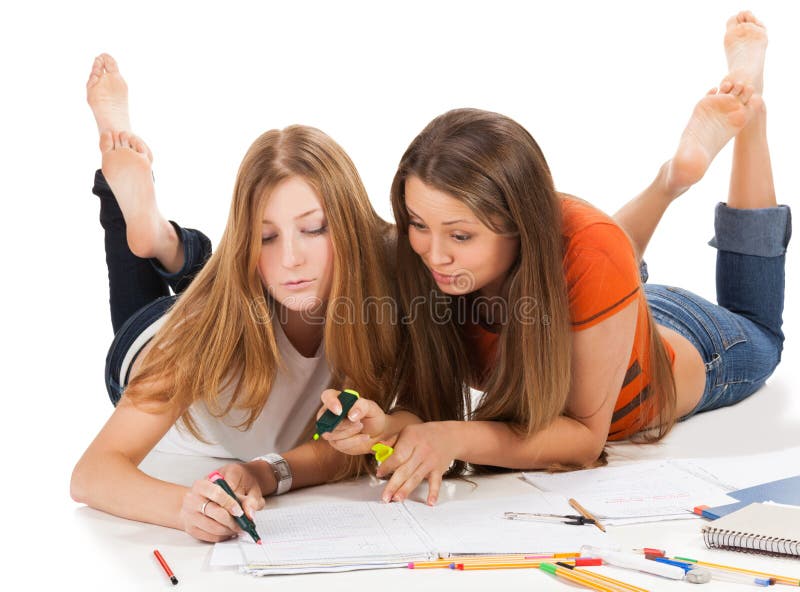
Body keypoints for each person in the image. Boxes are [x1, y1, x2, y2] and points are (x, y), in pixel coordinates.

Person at [319, 11, 790, 505]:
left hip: (696, 342)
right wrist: (384, 425)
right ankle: (671, 180)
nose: (434, 255)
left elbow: (584, 440)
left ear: (518, 226)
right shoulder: (428, 266)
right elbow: (422, 410)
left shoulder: (589, 250)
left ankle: (748, 118)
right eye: (417, 224)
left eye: (460, 235)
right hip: (601, 303)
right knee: (595, 261)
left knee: (760, 331)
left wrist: (454, 437)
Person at [70, 55, 409, 542]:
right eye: (266, 237)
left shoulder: (380, 290)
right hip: (156, 340)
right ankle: (129, 201)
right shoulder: (201, 331)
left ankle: (169, 243)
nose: (290, 259)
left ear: (349, 228)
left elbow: (353, 447)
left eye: (314, 229)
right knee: (161, 303)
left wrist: (265, 472)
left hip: (230, 292)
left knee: (211, 273)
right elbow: (91, 474)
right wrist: (184, 508)